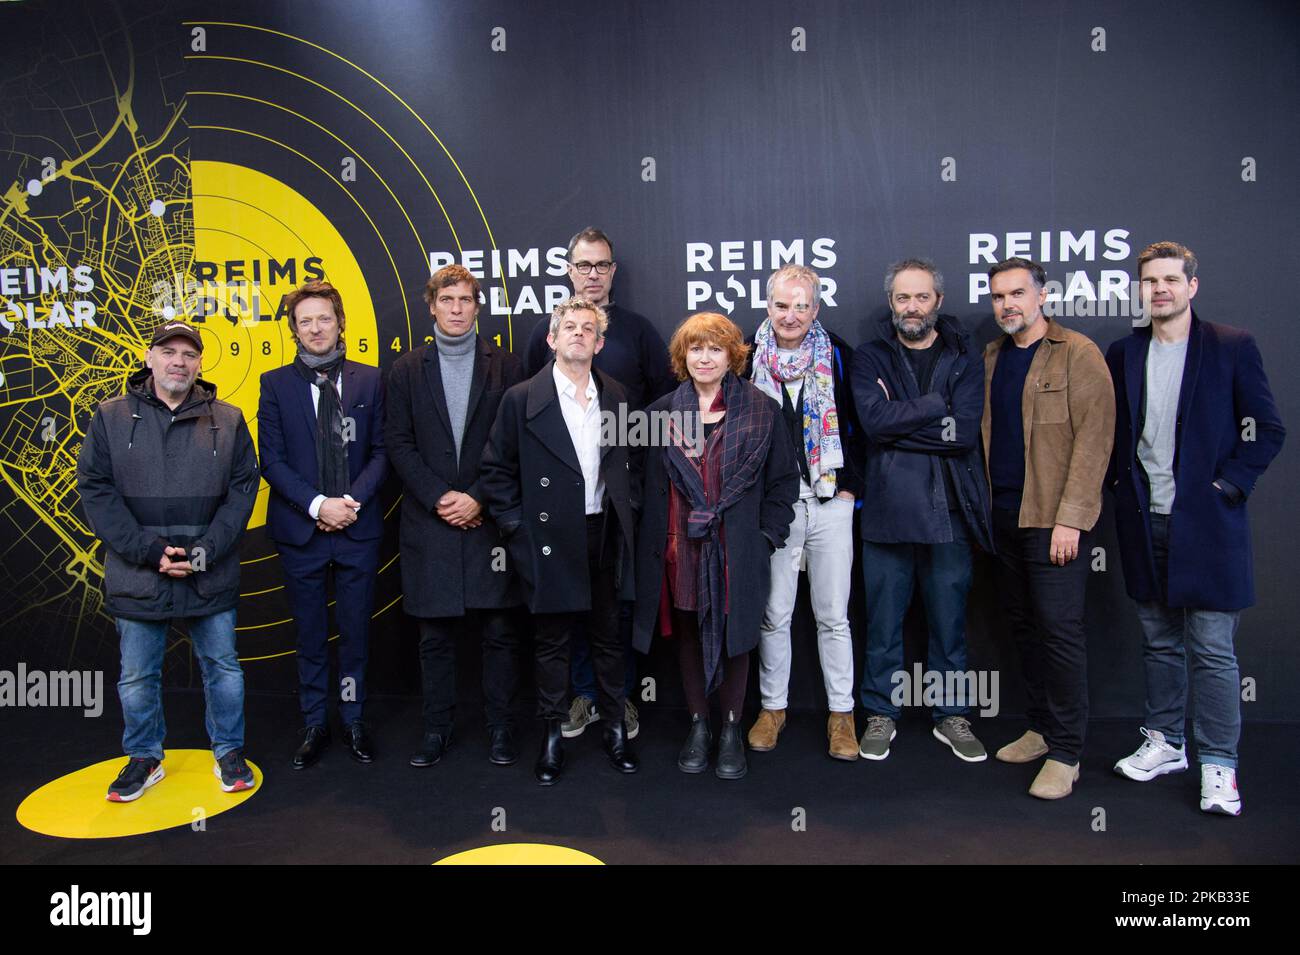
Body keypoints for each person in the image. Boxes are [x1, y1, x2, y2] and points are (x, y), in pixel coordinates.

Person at [1107, 242, 1284, 816]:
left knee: (1211, 649)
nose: (1159, 289)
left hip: (1207, 527)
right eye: (1150, 281)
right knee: (1159, 641)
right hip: (1143, 521)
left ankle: (1220, 766)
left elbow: (1266, 428)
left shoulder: (1231, 346)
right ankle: (1166, 743)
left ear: (1191, 286)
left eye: (1169, 280)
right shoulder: (1124, 352)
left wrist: (1226, 488)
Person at [77, 320, 259, 800]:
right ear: (149, 357)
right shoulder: (110, 417)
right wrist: (150, 551)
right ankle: (144, 757)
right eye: (169, 351)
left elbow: (242, 492)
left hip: (210, 569)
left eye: (189, 354)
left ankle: (229, 753)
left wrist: (205, 552)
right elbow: (96, 491)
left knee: (222, 667)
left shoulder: (229, 418)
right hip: (138, 573)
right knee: (137, 675)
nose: (179, 361)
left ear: (200, 362)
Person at [633, 312, 799, 779]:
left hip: (739, 547)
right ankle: (699, 725)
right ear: (683, 356)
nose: (705, 357)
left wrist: (765, 537)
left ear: (733, 356)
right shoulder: (660, 412)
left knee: (737, 636)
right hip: (680, 547)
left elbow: (783, 484)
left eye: (715, 348)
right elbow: (643, 485)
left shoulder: (763, 409)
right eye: (696, 348)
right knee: (688, 631)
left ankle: (730, 730)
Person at [482, 297, 640, 784]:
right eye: (568, 326)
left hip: (604, 533)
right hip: (548, 538)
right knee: (551, 643)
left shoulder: (618, 395)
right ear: (551, 339)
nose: (578, 333)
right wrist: (517, 531)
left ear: (599, 342)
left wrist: (629, 514)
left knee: (609, 642)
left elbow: (631, 469)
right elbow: (495, 471)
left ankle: (615, 730)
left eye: (587, 328)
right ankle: (552, 737)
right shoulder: (520, 398)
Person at [526, 227, 675, 742]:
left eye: (602, 265)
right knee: (569, 609)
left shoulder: (637, 332)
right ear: (569, 269)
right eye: (583, 265)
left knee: (618, 612)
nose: (593, 274)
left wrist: (636, 484)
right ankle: (583, 697)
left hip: (619, 505)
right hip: (562, 509)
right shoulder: (544, 337)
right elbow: (529, 417)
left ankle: (619, 700)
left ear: (613, 271)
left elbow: (665, 406)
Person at [851, 258, 994, 762]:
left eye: (922, 297)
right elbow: (874, 423)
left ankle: (950, 714)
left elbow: (965, 432)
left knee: (949, 624)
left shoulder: (963, 355)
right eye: (902, 298)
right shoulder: (869, 358)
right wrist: (937, 406)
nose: (912, 307)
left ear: (938, 301)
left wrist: (902, 424)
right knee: (882, 624)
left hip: (949, 509)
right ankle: (880, 714)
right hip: (886, 513)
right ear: (891, 303)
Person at [982, 257, 1114, 799]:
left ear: (1042, 296)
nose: (1008, 304)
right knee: (1024, 627)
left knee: (1060, 634)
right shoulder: (991, 357)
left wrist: (1070, 520)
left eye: (1018, 293)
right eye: (998, 296)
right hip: (1003, 517)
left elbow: (1095, 441)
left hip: (1052, 520)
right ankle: (1039, 727)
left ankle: (1067, 751)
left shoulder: (1078, 353)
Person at [386, 265, 527, 768]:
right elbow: (397, 443)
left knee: (499, 634)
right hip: (431, 522)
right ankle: (437, 729)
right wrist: (441, 497)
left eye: (466, 300)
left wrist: (478, 498)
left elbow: (512, 444)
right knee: (435, 636)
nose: (456, 308)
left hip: (488, 522)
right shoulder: (405, 370)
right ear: (431, 305)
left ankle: (501, 729)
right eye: (447, 300)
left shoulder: (506, 367)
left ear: (476, 306)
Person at [258, 280, 387, 768]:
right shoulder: (275, 383)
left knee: (355, 632)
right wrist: (317, 506)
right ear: (294, 329)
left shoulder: (370, 381)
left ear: (339, 323)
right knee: (310, 635)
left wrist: (348, 501)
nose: (315, 328)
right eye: (305, 320)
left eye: (324, 318)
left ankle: (353, 719)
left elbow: (382, 451)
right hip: (301, 532)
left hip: (357, 527)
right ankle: (315, 721)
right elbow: (271, 459)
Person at [746, 265, 864, 760]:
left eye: (801, 306)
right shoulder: (746, 359)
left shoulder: (837, 354)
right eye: (781, 305)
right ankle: (773, 709)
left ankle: (842, 714)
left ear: (815, 309)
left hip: (829, 499)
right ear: (767, 306)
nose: (790, 315)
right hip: (776, 507)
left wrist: (850, 488)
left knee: (833, 616)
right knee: (774, 615)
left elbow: (863, 423)